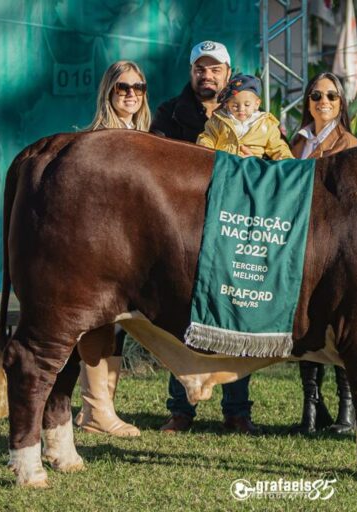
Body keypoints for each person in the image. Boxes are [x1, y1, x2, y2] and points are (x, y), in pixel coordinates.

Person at [150, 41, 257, 434]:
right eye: (200, 68)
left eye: (214, 69)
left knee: (236, 316)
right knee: (182, 316)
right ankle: (181, 409)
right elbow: (157, 164)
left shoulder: (255, 114)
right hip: (184, 230)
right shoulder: (169, 113)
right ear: (191, 72)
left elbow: (276, 159)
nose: (207, 75)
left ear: (228, 73)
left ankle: (237, 411)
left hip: (235, 227)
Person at [74, 60, 152, 437]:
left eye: (138, 87)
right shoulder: (95, 139)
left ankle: (101, 408)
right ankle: (95, 411)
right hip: (100, 248)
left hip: (133, 251)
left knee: (118, 326)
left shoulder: (149, 139)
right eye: (123, 87)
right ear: (109, 91)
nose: (131, 94)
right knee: (98, 323)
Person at [288, 72, 357, 435]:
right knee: (307, 323)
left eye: (331, 96)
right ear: (308, 101)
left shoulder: (349, 143)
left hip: (334, 246)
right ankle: (311, 408)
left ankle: (347, 412)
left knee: (339, 324)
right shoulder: (297, 140)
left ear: (341, 102)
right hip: (300, 241)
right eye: (316, 95)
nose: (323, 102)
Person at [196, 74, 293, 160]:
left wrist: (286, 161)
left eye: (247, 105)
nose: (241, 109)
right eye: (235, 105)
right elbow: (207, 138)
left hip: (252, 169)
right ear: (227, 104)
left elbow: (278, 147)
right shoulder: (218, 121)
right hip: (224, 166)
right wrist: (207, 156)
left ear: (257, 104)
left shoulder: (266, 125)